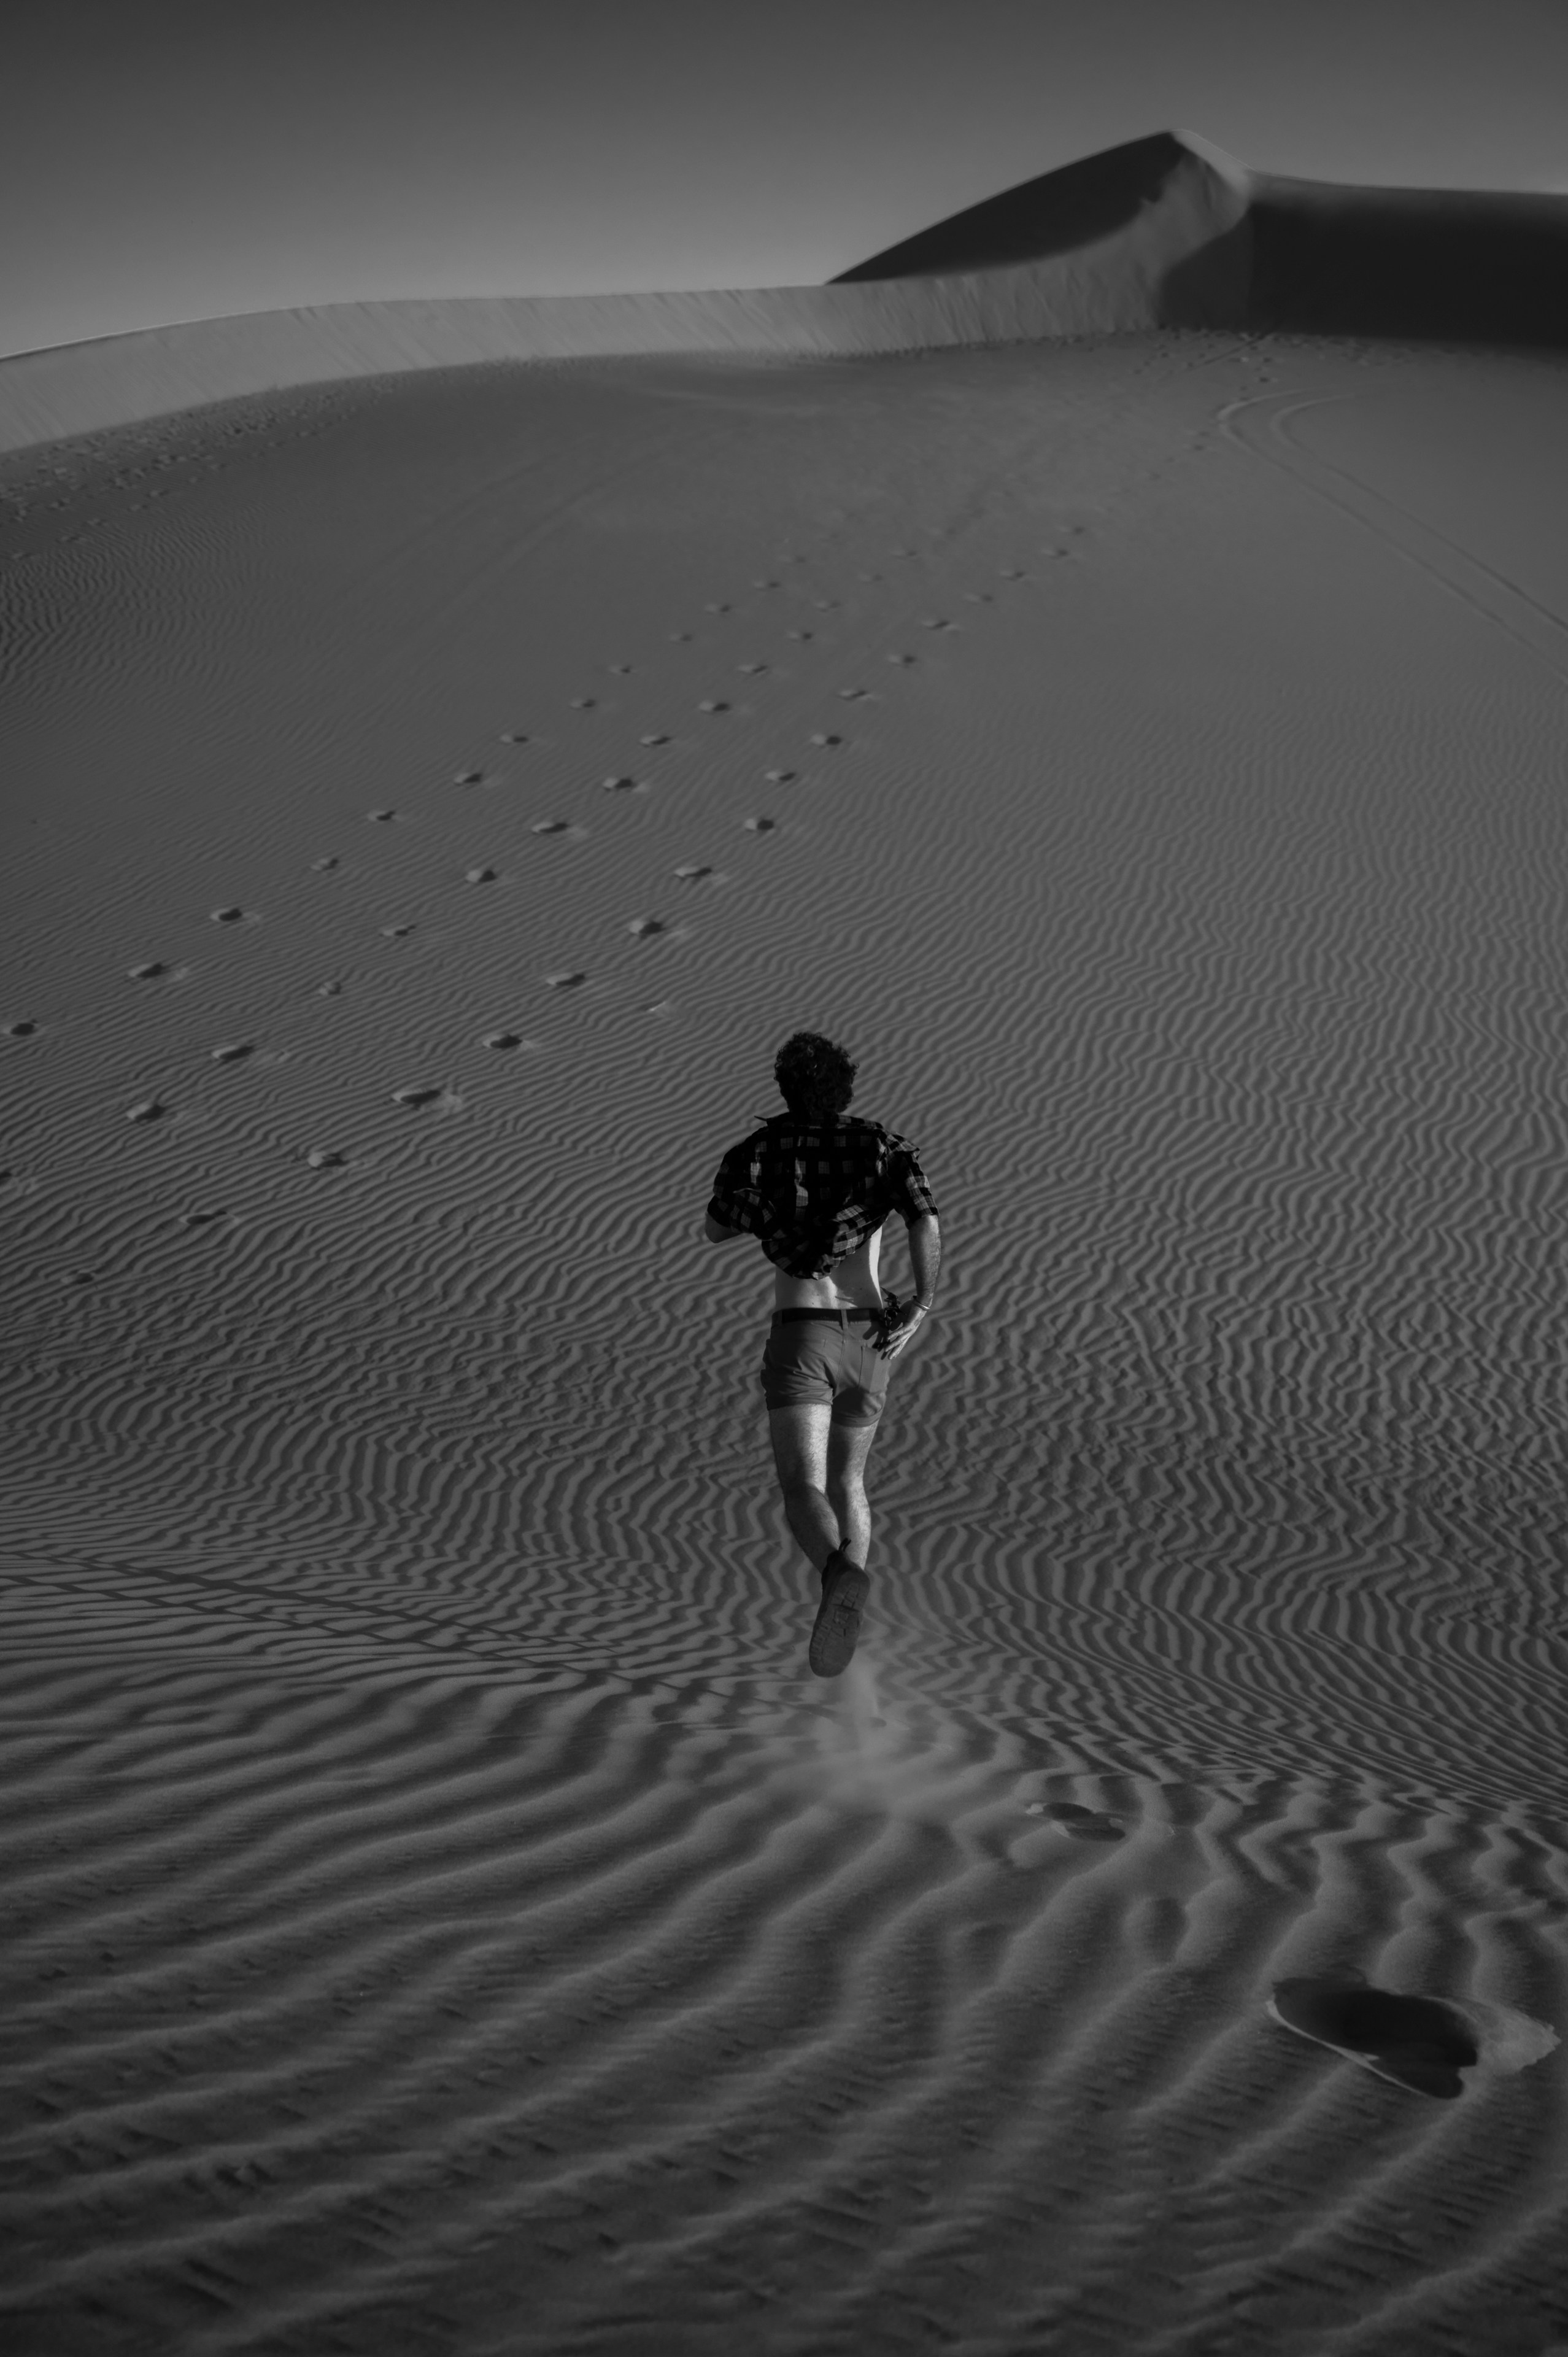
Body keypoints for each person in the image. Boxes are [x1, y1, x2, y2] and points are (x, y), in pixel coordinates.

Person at [701, 1031, 941, 1676]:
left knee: (801, 1484)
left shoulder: (757, 1152)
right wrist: (920, 1304)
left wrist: (772, 1206)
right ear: (845, 1087)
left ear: (784, 1087)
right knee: (849, 1482)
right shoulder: (879, 1146)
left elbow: (715, 1226)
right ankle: (851, 1599)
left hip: (802, 1334)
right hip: (872, 1338)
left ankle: (837, 1575)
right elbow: (924, 1217)